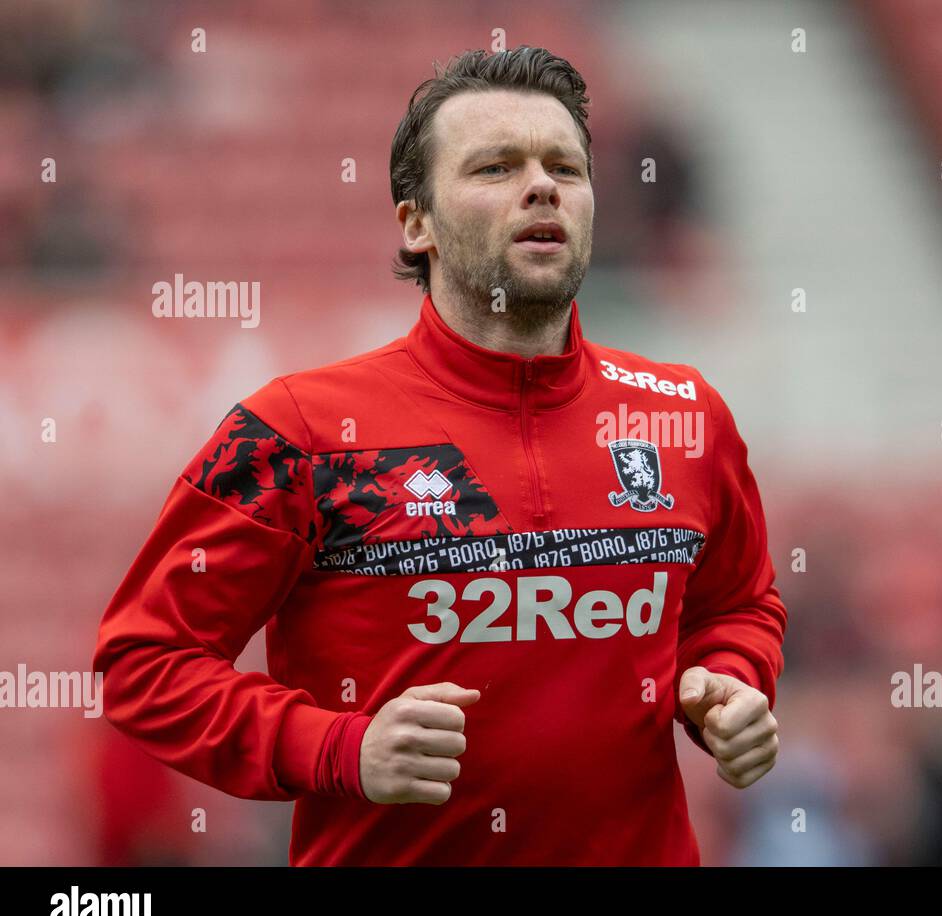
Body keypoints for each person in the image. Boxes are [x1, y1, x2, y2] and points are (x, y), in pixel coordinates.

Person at [94, 46, 787, 865]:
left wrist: (729, 684)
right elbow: (143, 664)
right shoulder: (297, 429)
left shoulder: (684, 414)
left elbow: (736, 605)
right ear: (415, 222)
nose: (542, 186)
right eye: (495, 167)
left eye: (564, 165)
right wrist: (338, 749)